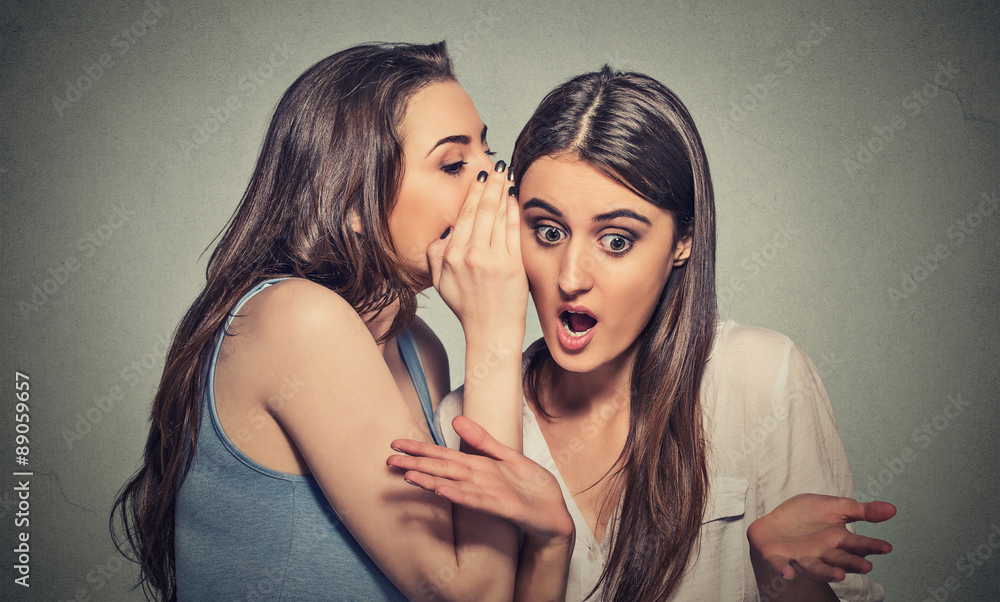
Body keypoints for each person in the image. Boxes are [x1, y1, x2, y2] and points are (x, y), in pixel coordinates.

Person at [388, 67, 896, 601]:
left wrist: (793, 582)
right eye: (549, 231)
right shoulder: (465, 423)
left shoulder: (762, 379)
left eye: (616, 240)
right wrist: (548, 545)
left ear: (683, 240)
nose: (571, 277)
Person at [110, 41, 574, 601]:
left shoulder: (417, 346)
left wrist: (553, 541)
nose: (498, 183)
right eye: (454, 164)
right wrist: (494, 328)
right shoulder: (297, 320)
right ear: (351, 200)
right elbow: (475, 594)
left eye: (489, 154)